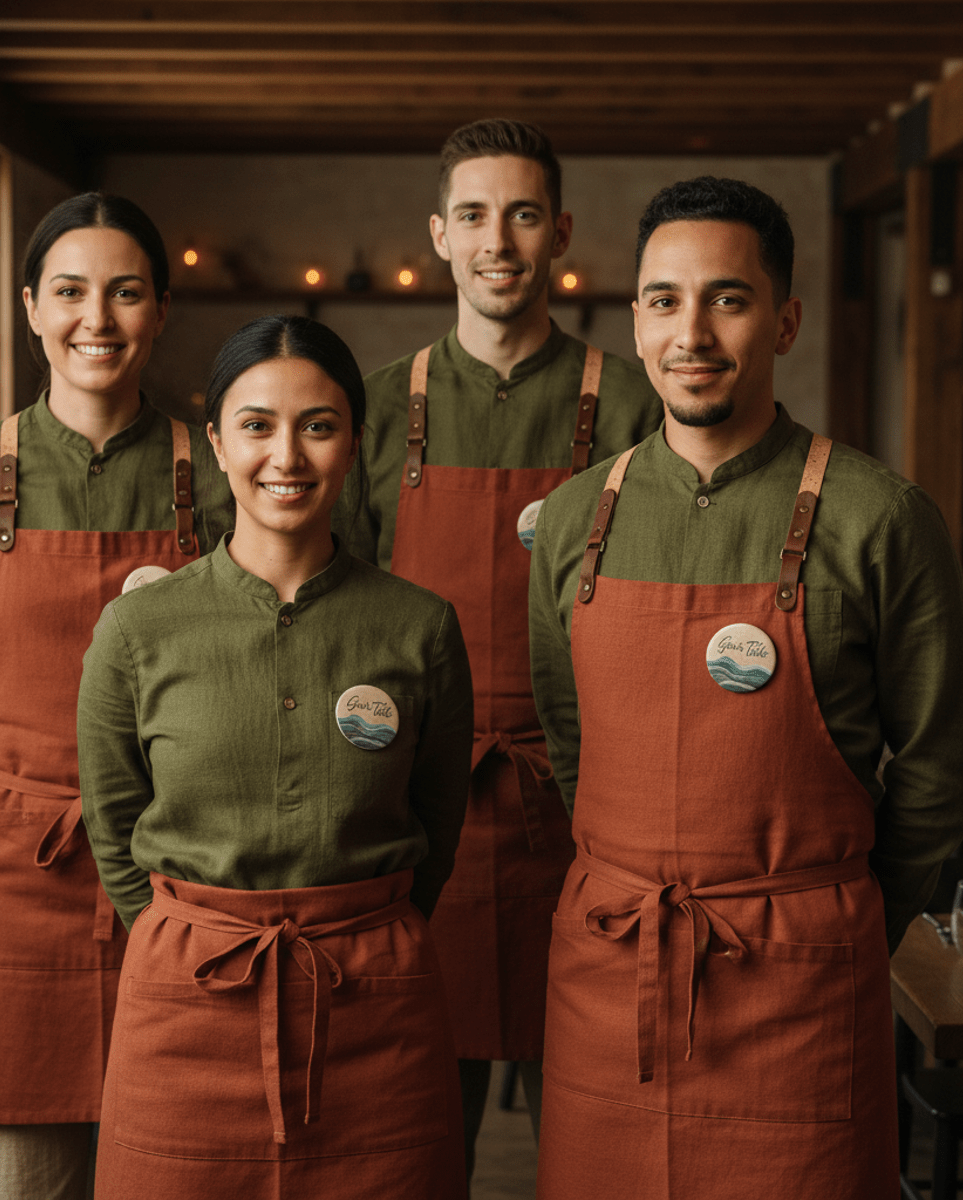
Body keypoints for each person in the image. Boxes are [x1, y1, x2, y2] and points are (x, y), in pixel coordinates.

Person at [527, 176, 963, 1198]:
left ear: (783, 320)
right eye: (663, 300)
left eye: (726, 299)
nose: (691, 331)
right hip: (615, 970)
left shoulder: (883, 517)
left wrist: (842, 910)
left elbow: (944, 762)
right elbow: (570, 741)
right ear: (636, 319)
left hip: (805, 987)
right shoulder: (567, 524)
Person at [77, 314, 473, 1198]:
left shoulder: (420, 627)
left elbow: (437, 828)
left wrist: (367, 930)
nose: (285, 455)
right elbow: (113, 826)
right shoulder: (137, 631)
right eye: (257, 425)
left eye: (318, 426)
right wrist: (187, 937)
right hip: (188, 1003)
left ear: (355, 446)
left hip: (376, 1004)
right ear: (217, 442)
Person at [336, 117, 663, 1171]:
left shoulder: (629, 405)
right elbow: (339, 611)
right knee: (421, 1130)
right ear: (438, 234)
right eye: (474, 215)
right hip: (415, 804)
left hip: (585, 801)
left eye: (523, 215)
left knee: (599, 1120)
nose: (498, 241)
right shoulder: (377, 410)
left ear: (560, 232)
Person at [0, 192, 234, 1199]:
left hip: (176, 873)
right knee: (13, 1178)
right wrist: (7, 797)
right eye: (73, 292)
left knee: (172, 1163)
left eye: (125, 292)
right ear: (34, 308)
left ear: (160, 311)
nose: (98, 317)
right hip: (10, 879)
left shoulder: (214, 479)